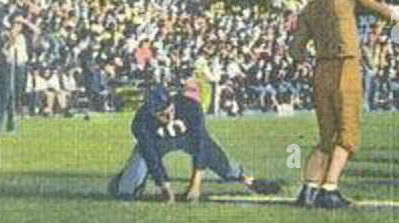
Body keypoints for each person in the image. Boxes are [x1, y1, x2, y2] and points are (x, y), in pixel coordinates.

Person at [288, 0, 396, 208]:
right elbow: (384, 11)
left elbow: (296, 50)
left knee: (327, 137)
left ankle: (309, 189)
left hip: (321, 69)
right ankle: (329, 188)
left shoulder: (311, 8)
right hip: (346, 68)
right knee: (348, 135)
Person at [107, 85, 280, 202]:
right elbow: (150, 154)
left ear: (172, 102)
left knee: (225, 166)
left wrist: (195, 184)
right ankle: (124, 182)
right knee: (125, 191)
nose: (166, 118)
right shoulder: (141, 122)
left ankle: (246, 179)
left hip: (190, 140)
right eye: (160, 115)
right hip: (158, 144)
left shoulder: (190, 107)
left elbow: (202, 144)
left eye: (168, 112)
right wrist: (165, 186)